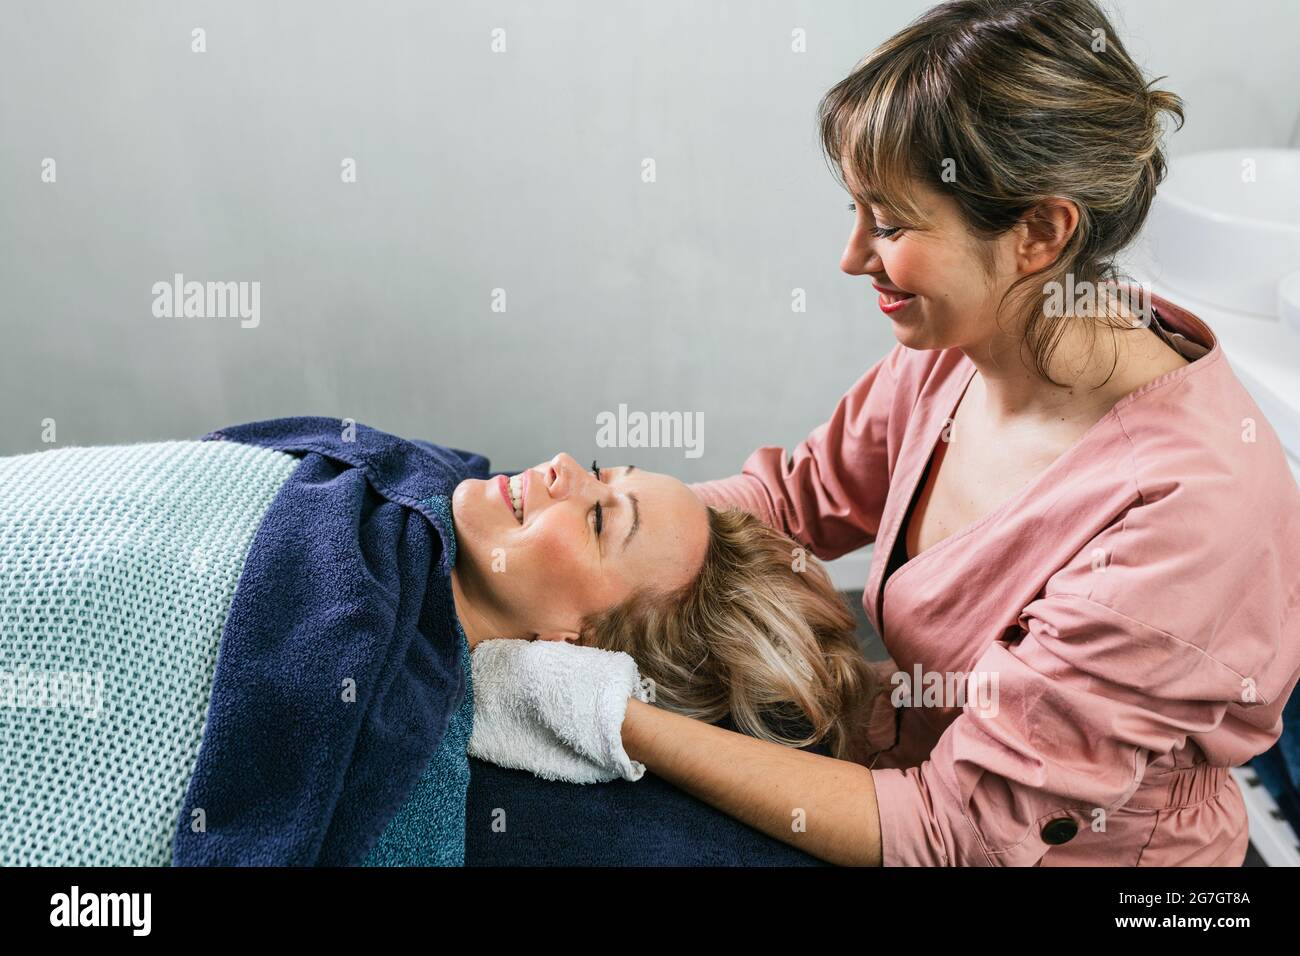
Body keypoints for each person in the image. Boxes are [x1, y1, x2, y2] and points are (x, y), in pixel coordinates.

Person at [522, 0, 1300, 867]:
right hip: (901, 776)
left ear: (1040, 232)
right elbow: (800, 499)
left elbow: (950, 830)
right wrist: (596, 528)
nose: (853, 257)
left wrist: (610, 717)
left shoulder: (1179, 515)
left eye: (889, 225)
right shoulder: (967, 350)